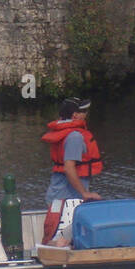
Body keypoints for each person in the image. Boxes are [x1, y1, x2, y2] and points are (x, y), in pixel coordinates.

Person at [40, 97, 104, 245]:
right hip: (66, 200)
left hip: (59, 197)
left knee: (60, 239)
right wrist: (85, 194)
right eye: (84, 111)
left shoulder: (68, 133)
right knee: (59, 241)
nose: (86, 114)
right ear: (75, 115)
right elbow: (69, 168)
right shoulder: (75, 137)